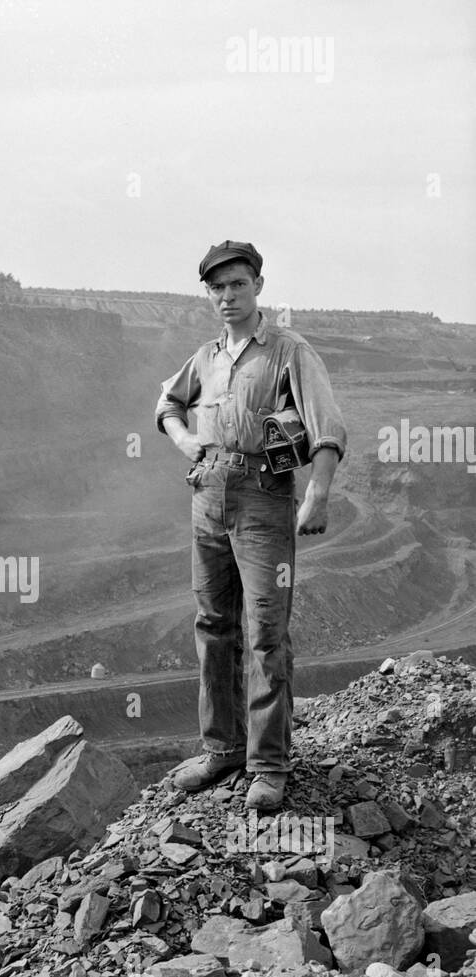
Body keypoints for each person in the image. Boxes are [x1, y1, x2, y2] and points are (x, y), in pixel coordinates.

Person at [156, 240, 348, 810]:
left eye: (237, 284)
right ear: (208, 295)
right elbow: (168, 404)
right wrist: (187, 440)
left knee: (266, 633)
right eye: (217, 288)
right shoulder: (207, 357)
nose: (227, 296)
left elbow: (328, 426)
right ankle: (223, 749)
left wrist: (319, 493)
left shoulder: (289, 350)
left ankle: (269, 765)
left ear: (258, 286)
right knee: (214, 624)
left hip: (265, 499)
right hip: (209, 495)